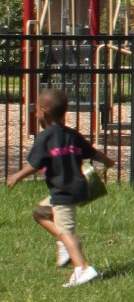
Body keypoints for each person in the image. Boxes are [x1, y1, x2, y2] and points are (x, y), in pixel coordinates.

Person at [5, 86, 108, 287]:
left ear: (43, 112)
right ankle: (65, 242)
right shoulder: (72, 134)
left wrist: (16, 176)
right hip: (77, 189)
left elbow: (35, 164)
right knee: (40, 213)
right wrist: (109, 162)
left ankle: (83, 269)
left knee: (67, 231)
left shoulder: (45, 138)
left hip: (63, 193)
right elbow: (93, 153)